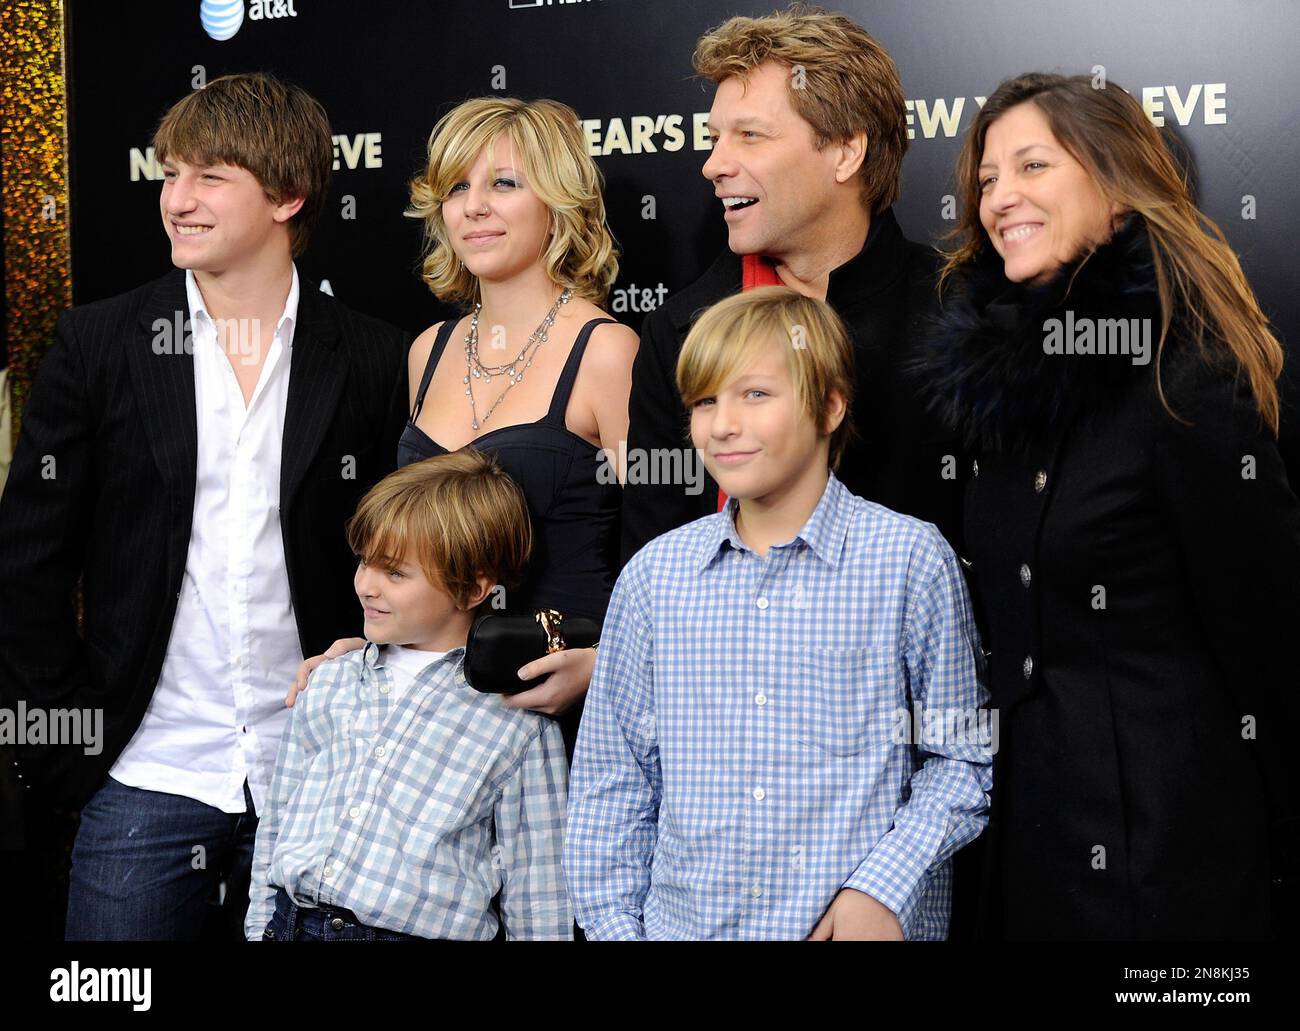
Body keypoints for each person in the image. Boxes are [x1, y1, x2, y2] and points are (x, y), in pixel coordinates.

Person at [0, 72, 410, 940]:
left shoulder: (374, 357)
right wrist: (67, 754)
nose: (176, 200)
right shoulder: (99, 343)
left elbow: (404, 556)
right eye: (170, 172)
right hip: (146, 772)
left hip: (325, 775)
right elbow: (26, 565)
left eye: (209, 177)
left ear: (288, 195)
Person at [918, 71, 1300, 939]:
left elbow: (1275, 649)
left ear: (1119, 187)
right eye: (986, 179)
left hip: (1172, 872)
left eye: (1033, 167)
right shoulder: (1003, 405)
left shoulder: (1185, 386)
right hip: (1025, 857)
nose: (999, 197)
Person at [565, 287, 992, 939]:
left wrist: (879, 888)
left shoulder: (907, 560)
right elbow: (613, 784)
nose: (722, 425)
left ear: (829, 406)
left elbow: (962, 753)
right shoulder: (655, 578)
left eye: (754, 395)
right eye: (705, 401)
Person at [290, 97, 639, 759]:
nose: (472, 207)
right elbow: (420, 548)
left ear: (558, 202)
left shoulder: (605, 352)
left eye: (503, 184)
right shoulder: (429, 351)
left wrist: (605, 665)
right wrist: (370, 649)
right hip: (440, 718)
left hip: (564, 712)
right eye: (455, 188)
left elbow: (669, 556)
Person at [621, 5, 958, 563]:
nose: (712, 164)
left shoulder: (958, 309)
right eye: (715, 137)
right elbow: (655, 561)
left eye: (750, 135)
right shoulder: (677, 331)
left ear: (847, 150)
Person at [246, 451, 571, 941]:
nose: (366, 586)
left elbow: (540, 887)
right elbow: (277, 821)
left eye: (395, 573)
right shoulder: (330, 682)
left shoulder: (519, 717)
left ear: (473, 589)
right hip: (291, 925)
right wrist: (257, 927)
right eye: (364, 562)